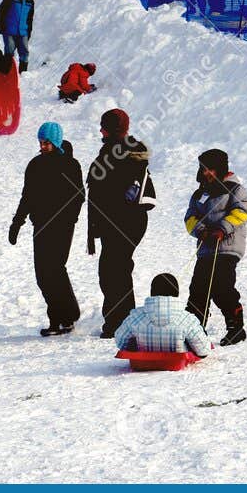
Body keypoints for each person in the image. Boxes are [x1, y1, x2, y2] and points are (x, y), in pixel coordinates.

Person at [8, 122, 83, 336]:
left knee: (55, 270)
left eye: (47, 143)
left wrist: (68, 219)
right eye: (41, 142)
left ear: (56, 142)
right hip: (41, 225)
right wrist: (17, 223)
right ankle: (62, 315)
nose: (42, 146)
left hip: (62, 227)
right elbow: (27, 196)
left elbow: (78, 196)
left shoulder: (70, 165)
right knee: (42, 274)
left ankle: (64, 318)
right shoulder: (35, 165)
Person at [85, 109, 155, 338]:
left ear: (112, 129)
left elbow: (110, 192)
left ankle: (120, 323)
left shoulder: (119, 154)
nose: (100, 130)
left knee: (114, 271)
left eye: (104, 127)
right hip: (121, 223)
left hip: (123, 223)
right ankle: (120, 321)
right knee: (115, 270)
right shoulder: (119, 152)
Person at [184, 149, 247, 344]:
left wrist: (222, 229)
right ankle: (194, 331)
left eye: (210, 169)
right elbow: (189, 217)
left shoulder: (235, 189)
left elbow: (242, 211)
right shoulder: (200, 194)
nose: (206, 173)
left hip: (227, 247)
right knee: (198, 289)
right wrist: (201, 231)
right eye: (203, 169)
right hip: (206, 249)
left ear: (220, 168)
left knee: (222, 287)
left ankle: (236, 328)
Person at [113, 274, 211, 360]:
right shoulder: (186, 318)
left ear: (152, 292)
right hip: (176, 361)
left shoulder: (136, 315)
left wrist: (133, 345)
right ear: (176, 293)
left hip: (142, 362)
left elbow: (120, 341)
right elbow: (203, 351)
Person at [0, 0, 36, 73]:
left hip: (23, 32)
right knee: (9, 51)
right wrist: (1, 25)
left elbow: (30, 19)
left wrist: (29, 32)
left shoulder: (30, 2)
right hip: (9, 30)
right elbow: (1, 11)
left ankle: (23, 72)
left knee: (25, 52)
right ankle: (6, 72)